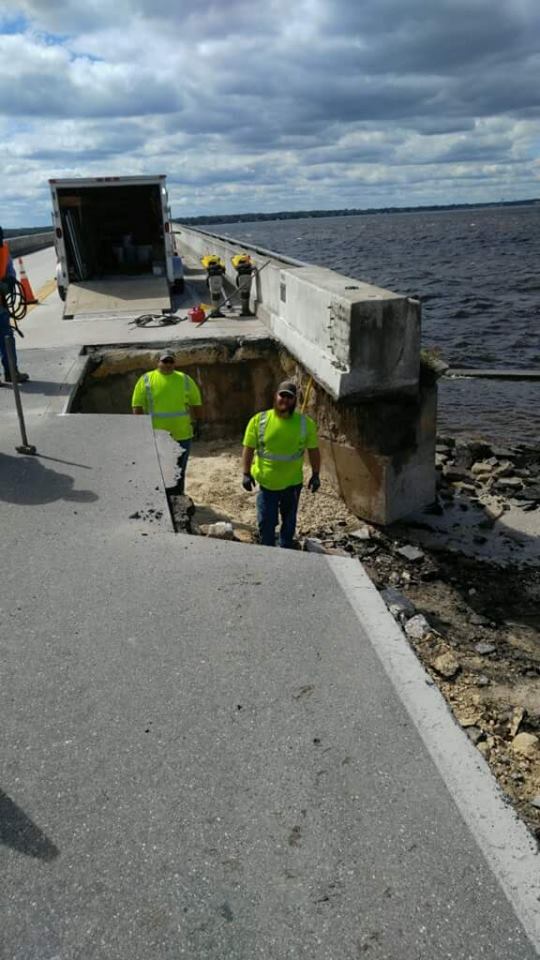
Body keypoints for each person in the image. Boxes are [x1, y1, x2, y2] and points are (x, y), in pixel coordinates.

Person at [242, 380, 321, 548]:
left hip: (292, 484)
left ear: (295, 401)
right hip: (267, 484)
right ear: (275, 396)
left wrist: (316, 474)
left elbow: (314, 451)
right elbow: (248, 448)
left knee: (289, 521)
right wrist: (246, 473)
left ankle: (286, 551)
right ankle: (268, 549)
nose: (284, 400)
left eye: (289, 397)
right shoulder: (259, 420)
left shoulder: (305, 424)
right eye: (282, 395)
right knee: (266, 521)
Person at [131, 351, 202, 494]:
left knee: (179, 470)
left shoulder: (185, 379)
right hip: (157, 435)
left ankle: (178, 497)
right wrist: (140, 429)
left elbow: (196, 403)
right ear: (158, 362)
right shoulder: (146, 379)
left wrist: (199, 423)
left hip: (181, 434)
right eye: (165, 361)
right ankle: (161, 498)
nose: (168, 364)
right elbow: (137, 405)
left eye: (171, 361)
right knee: (159, 470)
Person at [0, 226, 29, 383]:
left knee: (7, 338)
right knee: (6, 337)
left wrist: (10, 281)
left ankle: (11, 372)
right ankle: (11, 373)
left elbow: (9, 270)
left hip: (1, 305)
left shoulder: (3, 249)